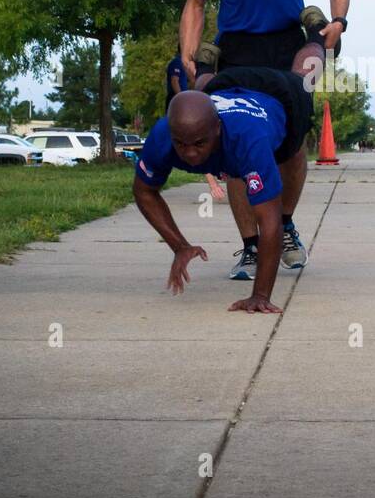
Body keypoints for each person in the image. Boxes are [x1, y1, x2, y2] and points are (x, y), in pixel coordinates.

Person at [179, 0, 349, 276]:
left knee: (293, 144)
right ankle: (251, 245)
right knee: (236, 144)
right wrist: (188, 52)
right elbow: (196, 3)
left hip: (287, 48)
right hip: (235, 49)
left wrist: (339, 22)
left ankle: (285, 225)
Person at [132, 64, 316, 314]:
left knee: (303, 76)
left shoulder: (249, 140)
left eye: (199, 143)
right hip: (229, 85)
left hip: (283, 96)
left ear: (217, 129)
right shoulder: (162, 135)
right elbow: (144, 191)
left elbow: (270, 222)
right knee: (206, 82)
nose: (190, 154)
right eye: (180, 144)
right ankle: (205, 64)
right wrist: (179, 246)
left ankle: (319, 35)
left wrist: (260, 295)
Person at [166, 46, 224, 202]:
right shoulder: (177, 63)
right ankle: (214, 183)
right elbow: (174, 80)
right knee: (197, 142)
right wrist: (184, 101)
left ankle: (221, 175)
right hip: (183, 110)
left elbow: (194, 81)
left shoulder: (199, 76)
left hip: (196, 104)